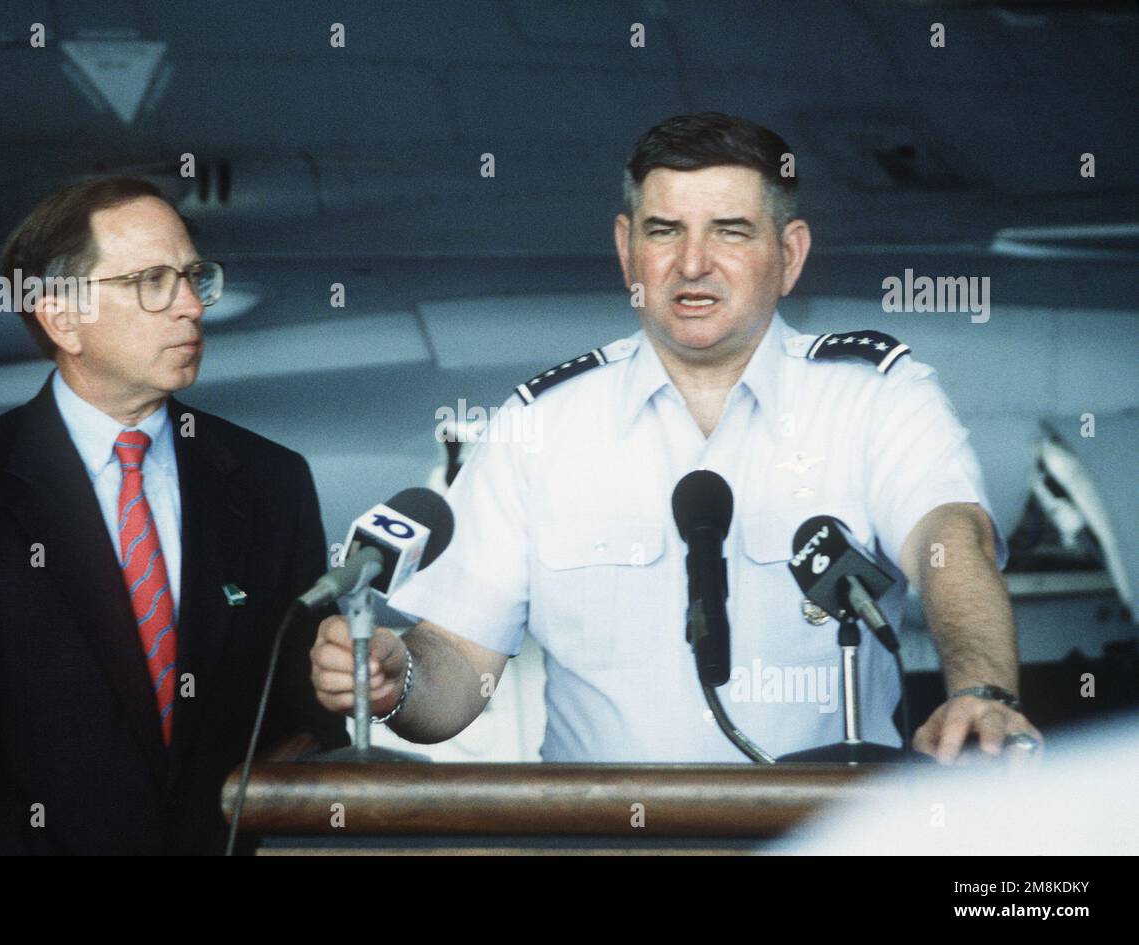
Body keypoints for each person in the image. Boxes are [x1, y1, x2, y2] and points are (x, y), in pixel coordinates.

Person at [310, 113, 1042, 764]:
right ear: (628, 249)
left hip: (827, 835)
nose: (693, 264)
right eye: (665, 231)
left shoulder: (876, 396)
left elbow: (952, 541)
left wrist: (982, 688)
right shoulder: (543, 423)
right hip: (602, 850)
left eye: (729, 231)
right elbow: (459, 672)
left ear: (790, 254)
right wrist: (395, 673)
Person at [0, 177, 346, 854]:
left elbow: (308, 715)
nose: (190, 307)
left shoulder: (271, 481)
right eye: (152, 281)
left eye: (194, 276)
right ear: (62, 318)